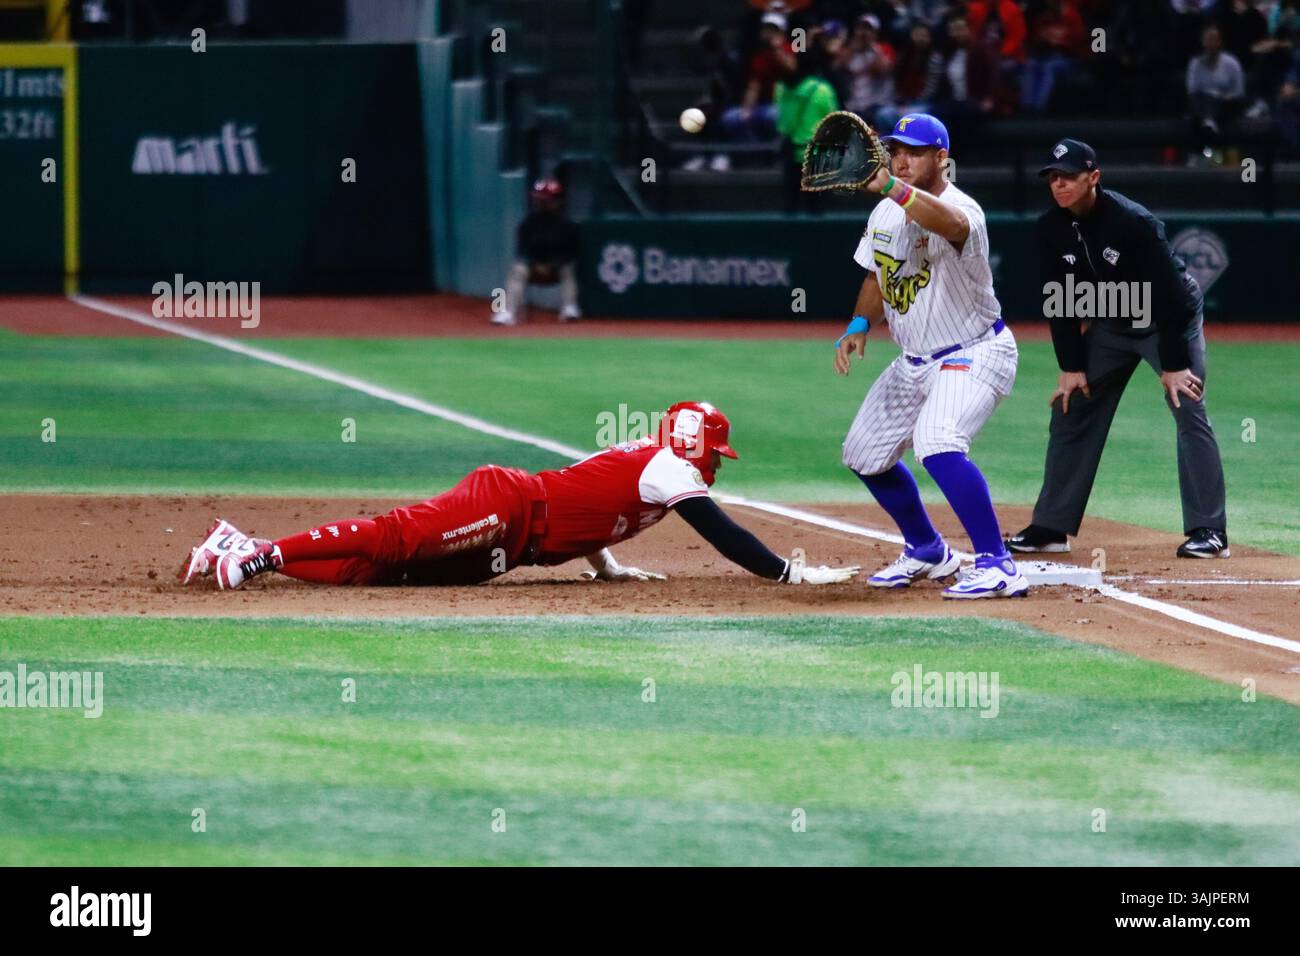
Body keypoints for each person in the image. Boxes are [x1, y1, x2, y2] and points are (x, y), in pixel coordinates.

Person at [178, 401, 860, 590]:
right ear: (690, 445)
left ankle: (235, 545)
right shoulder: (669, 471)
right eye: (715, 452)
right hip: (503, 509)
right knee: (393, 537)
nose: (717, 466)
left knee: (373, 573)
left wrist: (607, 566)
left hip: (508, 549)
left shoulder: (658, 471)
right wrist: (788, 571)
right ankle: (261, 554)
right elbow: (725, 534)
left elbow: (595, 507)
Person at [833, 113, 1028, 599]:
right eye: (896, 150)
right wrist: (859, 325)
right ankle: (926, 549)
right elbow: (877, 275)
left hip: (976, 352)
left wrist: (893, 190)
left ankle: (997, 563)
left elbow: (950, 224)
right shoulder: (883, 213)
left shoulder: (964, 210)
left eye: (915, 152)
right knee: (863, 454)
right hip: (914, 361)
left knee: (938, 442)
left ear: (942, 158)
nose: (902, 159)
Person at [1006, 139, 1229, 559]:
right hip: (1111, 322)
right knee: (1071, 405)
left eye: (1069, 176)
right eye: (1053, 178)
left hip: (1164, 319)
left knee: (1187, 404)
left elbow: (1172, 299)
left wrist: (1175, 365)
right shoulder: (1050, 227)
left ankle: (1209, 531)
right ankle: (1051, 527)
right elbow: (1061, 300)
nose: (1059, 185)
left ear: (1094, 178)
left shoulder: (1133, 223)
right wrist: (1071, 366)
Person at [492, 179, 580, 327]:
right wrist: (535, 264)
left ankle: (569, 308)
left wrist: (552, 265)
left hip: (557, 268)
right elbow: (522, 251)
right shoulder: (528, 223)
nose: (542, 205)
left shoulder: (567, 225)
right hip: (533, 268)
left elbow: (570, 252)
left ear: (558, 202)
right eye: (540, 201)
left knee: (568, 269)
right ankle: (506, 312)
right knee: (517, 270)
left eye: (547, 201)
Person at [775, 37, 839, 213]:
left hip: (814, 161)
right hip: (799, 158)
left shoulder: (820, 91)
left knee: (810, 211)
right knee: (797, 210)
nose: (782, 61)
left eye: (788, 57)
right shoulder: (782, 89)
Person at [721, 12, 795, 143]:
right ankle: (752, 150)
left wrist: (777, 49)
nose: (769, 33)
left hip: (787, 106)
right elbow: (754, 86)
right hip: (763, 106)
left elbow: (791, 68)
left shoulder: (791, 48)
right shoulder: (759, 57)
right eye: (767, 29)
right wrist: (746, 109)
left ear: (782, 32)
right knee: (730, 118)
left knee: (773, 115)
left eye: (773, 30)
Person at [1186, 23, 1247, 159]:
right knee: (1198, 111)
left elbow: (1238, 92)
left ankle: (1208, 152)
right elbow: (1192, 91)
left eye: (1214, 39)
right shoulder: (1195, 63)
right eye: (1208, 39)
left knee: (1214, 111)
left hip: (1227, 104)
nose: (1211, 43)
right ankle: (1201, 154)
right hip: (1202, 105)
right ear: (1203, 42)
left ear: (1220, 41)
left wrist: (1219, 98)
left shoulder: (1232, 63)